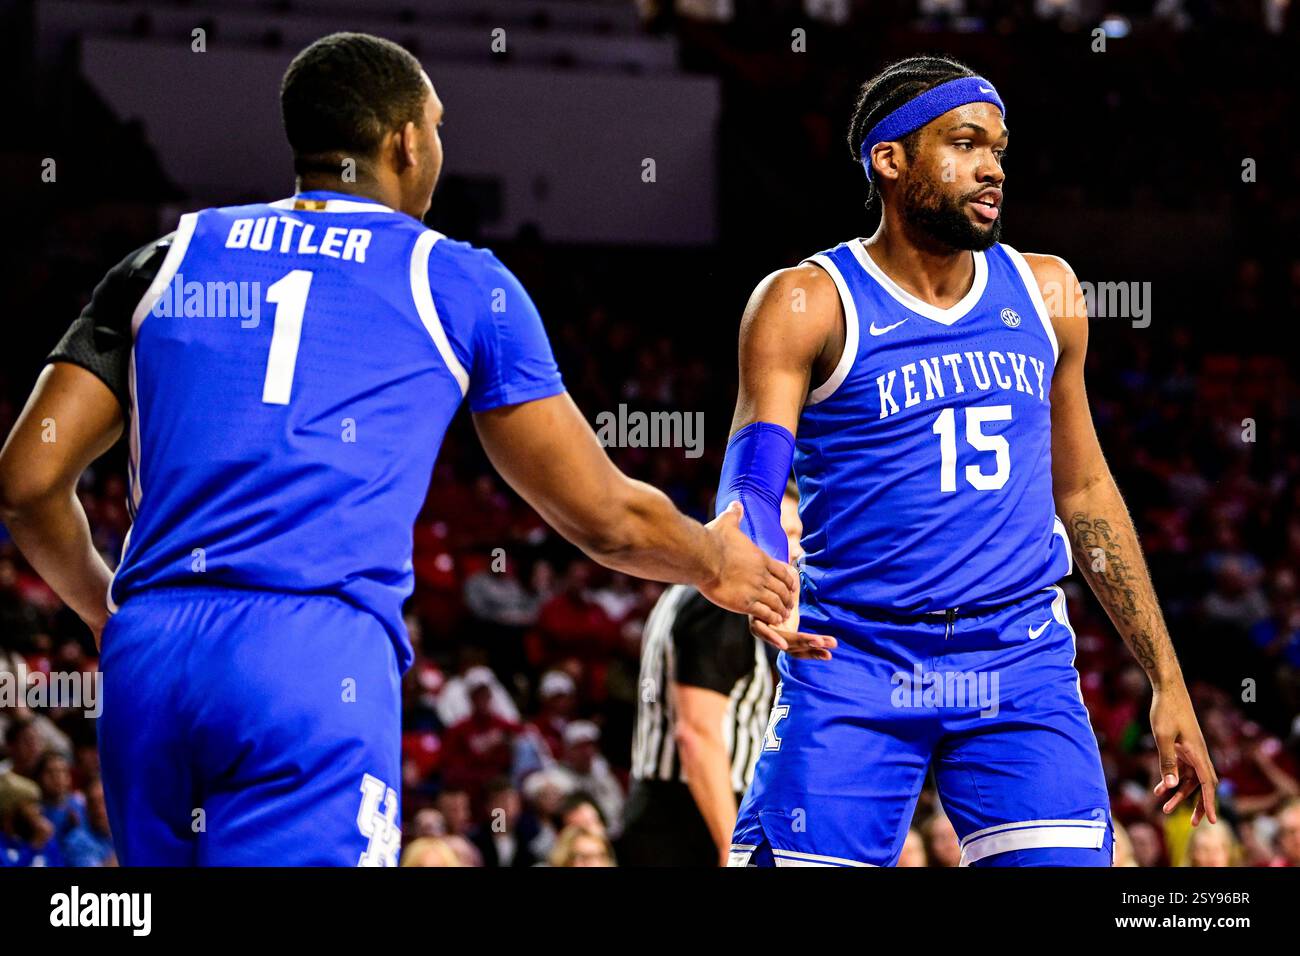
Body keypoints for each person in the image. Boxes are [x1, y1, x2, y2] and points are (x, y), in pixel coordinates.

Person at [0, 32, 795, 867]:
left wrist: (104, 610)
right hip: (311, 659)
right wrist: (715, 560)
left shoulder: (163, 259)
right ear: (405, 141)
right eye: (439, 128)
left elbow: (25, 482)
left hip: (151, 659)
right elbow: (604, 517)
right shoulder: (454, 278)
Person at [718, 55, 1216, 867]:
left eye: (1000, 149)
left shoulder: (1047, 290)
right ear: (890, 159)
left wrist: (1166, 678)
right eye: (964, 143)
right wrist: (763, 569)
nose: (992, 167)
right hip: (856, 654)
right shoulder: (806, 300)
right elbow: (754, 473)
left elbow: (1085, 490)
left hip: (1016, 654)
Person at [621, 480, 799, 866]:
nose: (797, 549)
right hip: (689, 820)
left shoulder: (685, 591)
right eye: (786, 533)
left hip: (668, 811)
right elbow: (696, 734)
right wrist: (728, 844)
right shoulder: (719, 605)